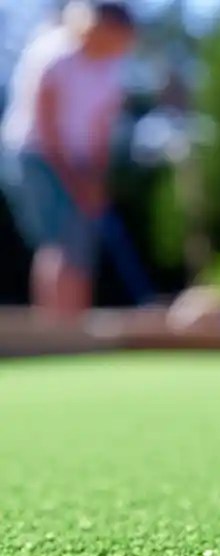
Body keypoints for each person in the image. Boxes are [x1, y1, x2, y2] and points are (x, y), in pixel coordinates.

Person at [0, 1, 136, 324]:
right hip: (36, 157)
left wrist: (97, 181)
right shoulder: (54, 53)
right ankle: (55, 328)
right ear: (100, 28)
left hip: (80, 162)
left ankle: (75, 326)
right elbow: (45, 128)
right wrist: (75, 180)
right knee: (60, 238)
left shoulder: (111, 68)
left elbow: (102, 130)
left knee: (82, 243)